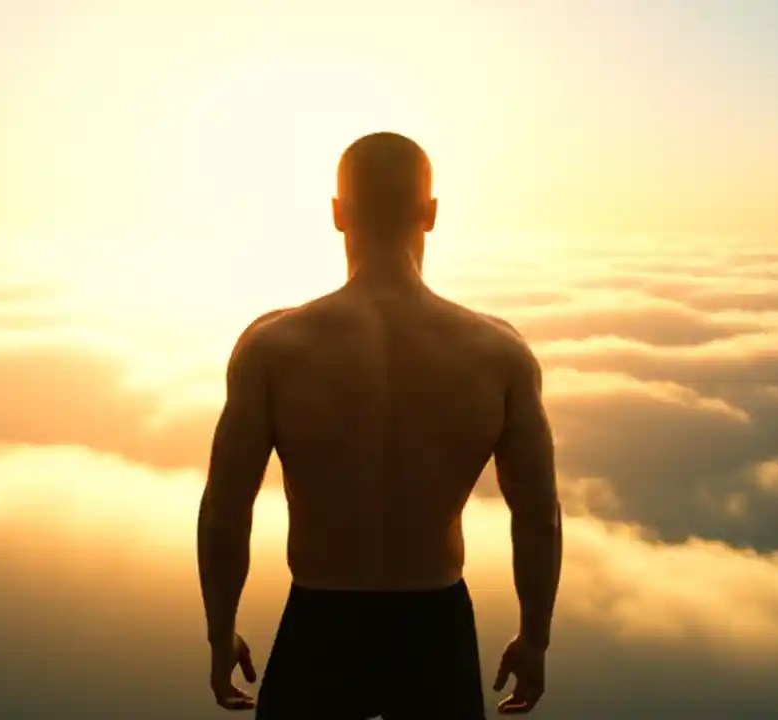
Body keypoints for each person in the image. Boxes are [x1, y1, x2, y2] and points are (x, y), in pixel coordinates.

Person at [197, 132, 562, 718]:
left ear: (339, 215)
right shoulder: (500, 354)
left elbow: (225, 507)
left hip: (319, 626)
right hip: (435, 629)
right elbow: (538, 517)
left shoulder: (272, 347)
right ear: (431, 214)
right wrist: (535, 639)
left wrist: (221, 633)